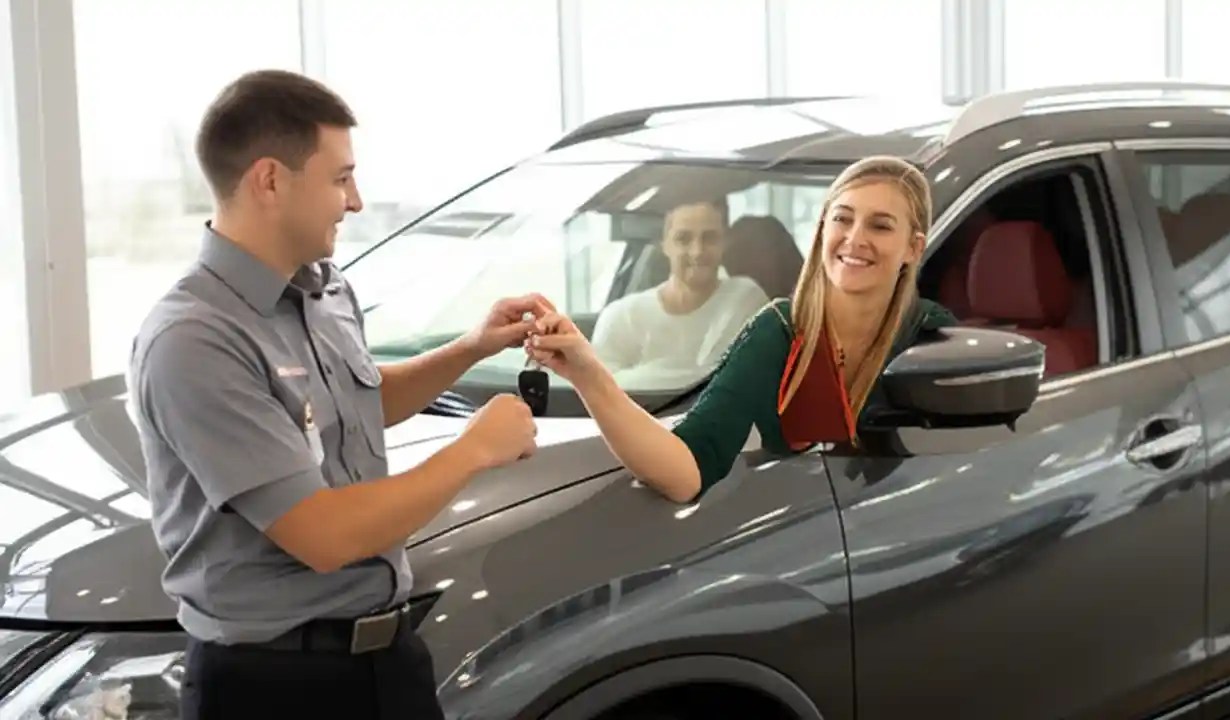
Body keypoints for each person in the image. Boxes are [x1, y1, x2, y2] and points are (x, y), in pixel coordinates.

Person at [128, 70, 539, 719]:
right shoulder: (194, 341)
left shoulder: (322, 289)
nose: (354, 200)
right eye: (340, 177)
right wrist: (474, 451)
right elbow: (321, 534)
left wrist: (472, 348)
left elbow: (359, 406)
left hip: (386, 662)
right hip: (272, 687)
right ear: (269, 180)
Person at [526, 156, 958, 503]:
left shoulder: (931, 335)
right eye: (842, 219)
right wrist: (586, 373)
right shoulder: (779, 333)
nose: (854, 238)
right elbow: (686, 471)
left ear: (913, 247)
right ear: (823, 228)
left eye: (880, 226)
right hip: (809, 552)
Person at [590, 198, 769, 388]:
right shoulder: (622, 317)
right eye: (683, 239)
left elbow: (759, 379)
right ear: (665, 245)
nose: (697, 251)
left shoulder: (745, 300)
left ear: (724, 244)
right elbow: (600, 392)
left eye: (709, 238)